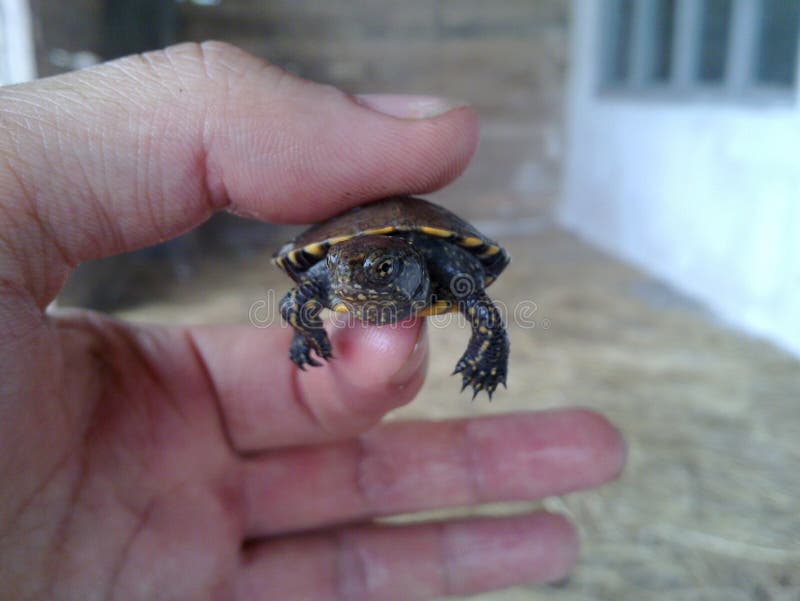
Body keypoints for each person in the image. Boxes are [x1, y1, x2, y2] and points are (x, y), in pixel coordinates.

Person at [0, 42, 625, 600]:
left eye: (377, 270)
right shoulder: (333, 276)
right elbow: (297, 300)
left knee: (447, 300)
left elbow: (474, 292)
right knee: (347, 318)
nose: (356, 277)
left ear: (403, 265)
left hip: (426, 253)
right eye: (350, 271)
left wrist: (490, 344)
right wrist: (309, 330)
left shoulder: (439, 264)